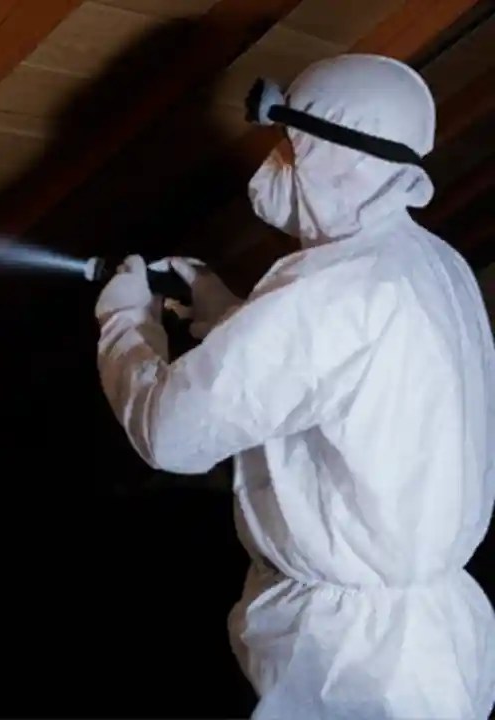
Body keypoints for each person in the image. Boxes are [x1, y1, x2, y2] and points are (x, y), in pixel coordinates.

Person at [95, 54, 495, 718]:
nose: (276, 165)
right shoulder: (427, 262)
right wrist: (231, 316)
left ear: (336, 158)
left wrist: (125, 322)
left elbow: (171, 433)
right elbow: (341, 390)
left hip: (349, 659)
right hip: (432, 640)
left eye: (287, 149)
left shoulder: (328, 288)